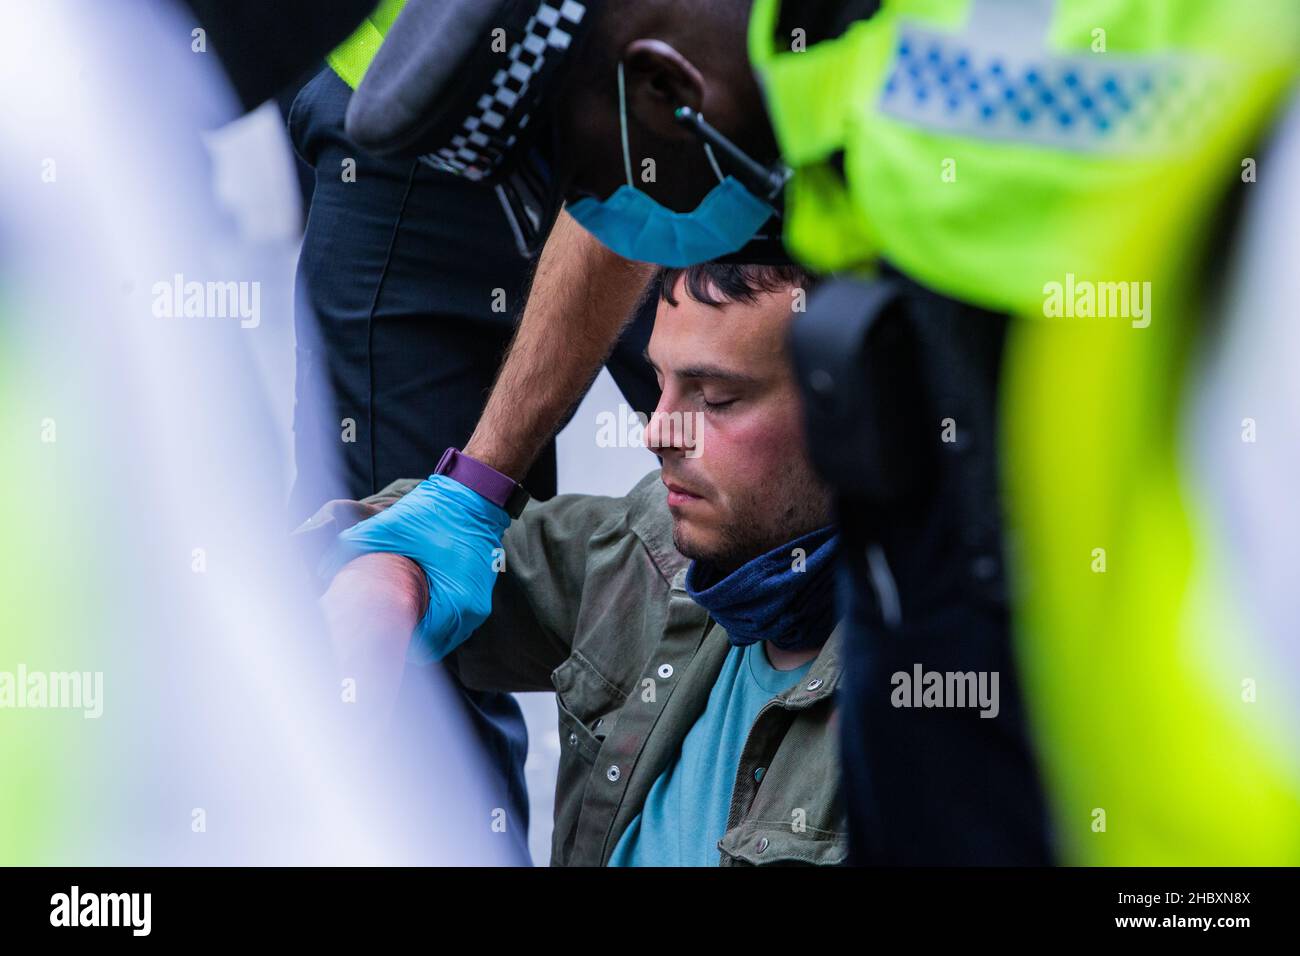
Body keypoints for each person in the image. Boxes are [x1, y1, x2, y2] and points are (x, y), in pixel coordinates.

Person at [305, 263, 847, 866]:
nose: (659, 431)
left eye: (715, 398)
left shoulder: (932, 702)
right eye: (658, 383)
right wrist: (387, 580)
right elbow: (422, 535)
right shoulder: (652, 551)